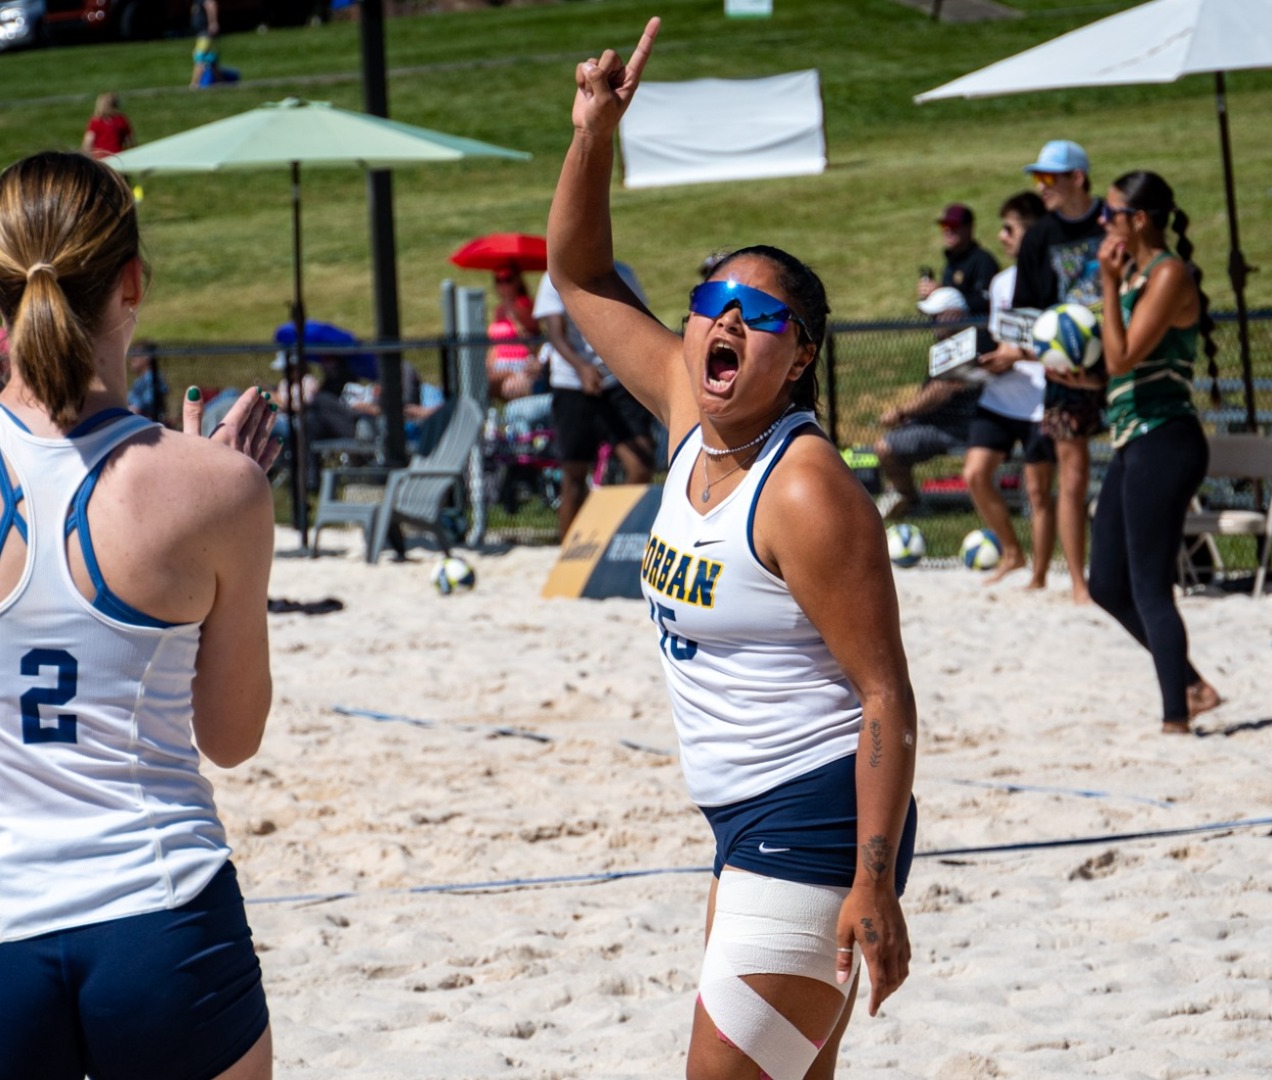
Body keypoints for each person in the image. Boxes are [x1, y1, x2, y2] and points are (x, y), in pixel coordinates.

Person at [0, 151, 281, 1080]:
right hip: (161, 923)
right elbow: (232, 737)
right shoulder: (217, 487)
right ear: (132, 284)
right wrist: (219, 483)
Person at [549, 21, 917, 1080]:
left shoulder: (805, 491)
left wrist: (874, 881)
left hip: (812, 822)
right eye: (712, 299)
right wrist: (593, 133)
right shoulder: (685, 411)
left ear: (798, 358)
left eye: (759, 314)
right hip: (739, 819)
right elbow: (578, 274)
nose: (724, 319)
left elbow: (885, 697)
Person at [1073, 170, 1223, 734]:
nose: (1102, 224)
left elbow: (1123, 358)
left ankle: (1176, 717)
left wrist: (1107, 287)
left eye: (1109, 214)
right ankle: (1191, 682)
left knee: (1149, 584)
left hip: (1167, 440)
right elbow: (1114, 378)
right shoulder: (1137, 277)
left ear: (1138, 220)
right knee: (1106, 584)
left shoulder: (1167, 275)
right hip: (1135, 440)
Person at [1011, 139, 1106, 604]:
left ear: (1078, 179)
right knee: (1072, 475)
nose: (1040, 187)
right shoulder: (1039, 237)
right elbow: (1026, 313)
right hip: (1064, 370)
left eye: (1049, 178)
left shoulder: (1112, 221)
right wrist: (1039, 352)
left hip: (1121, 360)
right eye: (1037, 179)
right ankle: (1079, 582)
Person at [968, 192, 1055, 587]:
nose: (1001, 236)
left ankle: (1038, 575)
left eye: (1010, 228)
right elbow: (1004, 340)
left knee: (1038, 493)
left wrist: (1015, 356)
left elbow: (1060, 347)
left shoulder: (1053, 277)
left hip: (1041, 400)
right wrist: (981, 363)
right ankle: (1012, 552)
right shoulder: (1002, 282)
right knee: (974, 475)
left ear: (1033, 230)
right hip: (1001, 396)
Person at [534, 262, 655, 536]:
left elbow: (640, 322)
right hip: (571, 384)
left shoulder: (622, 273)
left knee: (642, 464)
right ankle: (566, 556)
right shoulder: (553, 277)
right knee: (574, 477)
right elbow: (555, 333)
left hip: (616, 381)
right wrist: (581, 368)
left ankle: (609, 534)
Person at [871, 289, 978, 520]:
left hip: (957, 429)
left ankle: (911, 502)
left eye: (937, 316)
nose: (932, 322)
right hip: (940, 425)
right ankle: (901, 495)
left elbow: (940, 391)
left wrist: (901, 412)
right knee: (897, 444)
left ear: (955, 314)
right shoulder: (950, 345)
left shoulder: (965, 345)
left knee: (886, 448)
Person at [916, 203, 998, 317]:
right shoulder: (951, 263)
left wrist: (943, 292)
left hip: (975, 331)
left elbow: (987, 301)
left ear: (969, 228)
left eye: (953, 225)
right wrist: (931, 297)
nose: (947, 230)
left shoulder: (983, 260)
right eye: (944, 225)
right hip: (953, 332)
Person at [486, 268, 543, 401]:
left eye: (508, 280)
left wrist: (514, 317)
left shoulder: (526, 304)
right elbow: (494, 345)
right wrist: (488, 364)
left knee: (491, 382)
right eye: (499, 280)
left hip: (519, 362)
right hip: (499, 363)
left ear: (517, 282)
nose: (503, 285)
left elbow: (531, 342)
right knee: (479, 379)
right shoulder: (499, 311)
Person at [127, 339, 169, 421]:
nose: (132, 358)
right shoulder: (139, 381)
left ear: (147, 357)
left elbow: (149, 401)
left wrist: (133, 407)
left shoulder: (153, 379)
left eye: (135, 354)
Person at [82, 93, 133, 159]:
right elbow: (130, 141)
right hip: (117, 156)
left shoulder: (96, 121)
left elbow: (88, 142)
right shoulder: (120, 120)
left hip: (102, 157)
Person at [190, 0, 220, 87]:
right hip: (202, 33)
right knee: (211, 59)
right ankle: (221, 82)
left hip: (205, 33)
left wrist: (213, 23)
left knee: (199, 57)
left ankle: (195, 84)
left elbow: (211, 4)